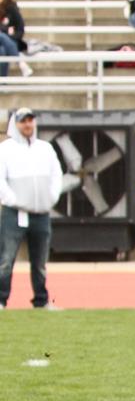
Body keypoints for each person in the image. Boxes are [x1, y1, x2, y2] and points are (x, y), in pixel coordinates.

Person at [0, 107, 63, 309]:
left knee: (40, 261)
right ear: (15, 124)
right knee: (6, 259)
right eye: (23, 121)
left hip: (40, 214)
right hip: (15, 213)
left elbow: (56, 175)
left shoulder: (45, 148)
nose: (27, 124)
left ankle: (41, 299)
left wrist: (50, 199)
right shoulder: (6, 149)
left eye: (30, 120)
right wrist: (13, 200)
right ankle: (1, 299)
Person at [0, 0, 31, 78]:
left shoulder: (12, 8)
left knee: (2, 51)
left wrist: (10, 36)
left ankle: (3, 84)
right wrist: (6, 29)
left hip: (11, 42)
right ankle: (20, 62)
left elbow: (20, 28)